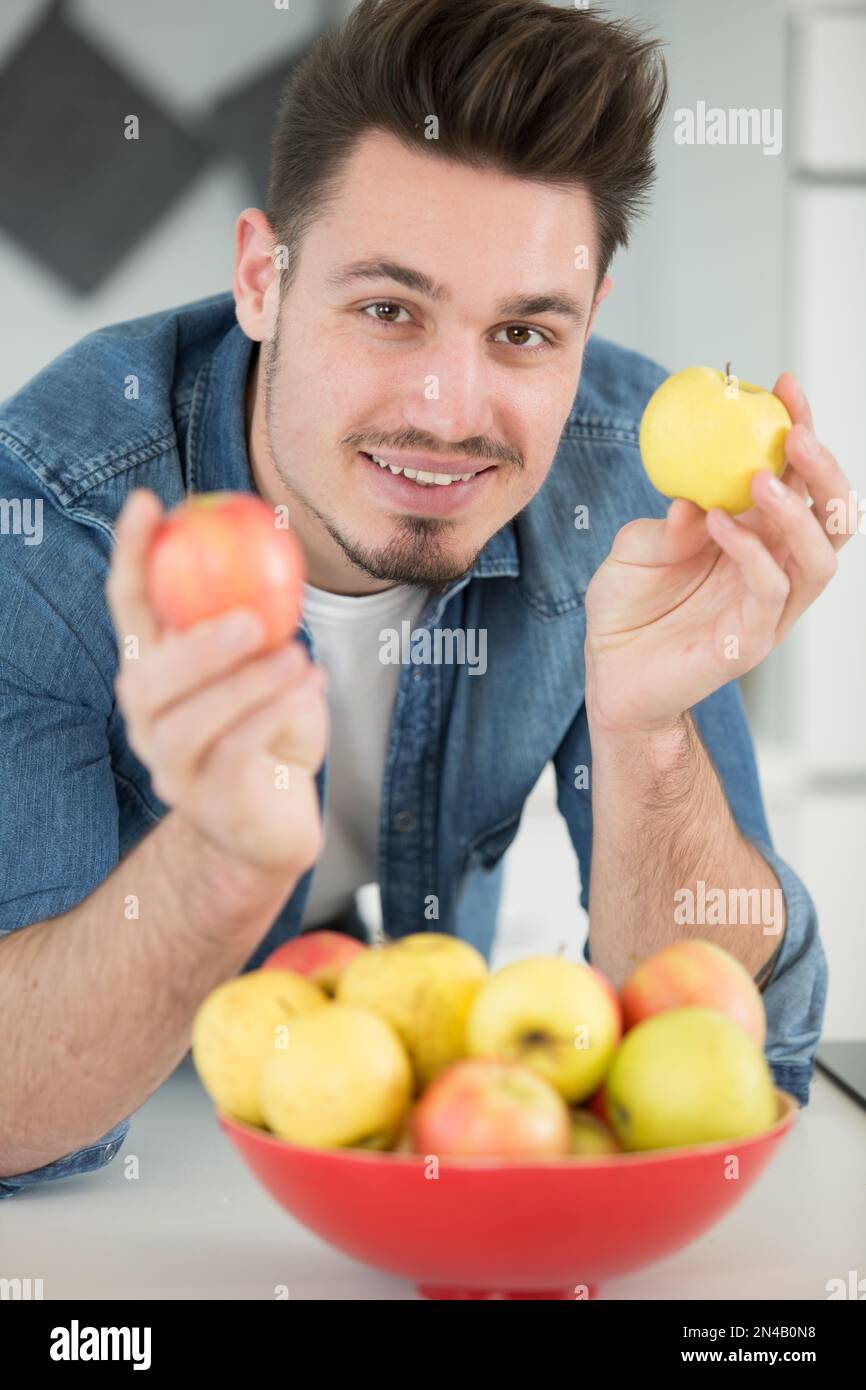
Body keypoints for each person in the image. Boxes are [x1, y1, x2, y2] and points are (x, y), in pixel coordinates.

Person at [0, 0, 851, 1196]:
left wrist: (649, 733)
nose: (451, 411)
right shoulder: (45, 515)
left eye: (521, 332)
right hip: (155, 1146)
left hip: (412, 1109)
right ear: (261, 278)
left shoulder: (621, 482)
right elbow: (10, 1114)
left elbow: (726, 1058)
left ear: (588, 325)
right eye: (389, 309)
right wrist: (223, 863)